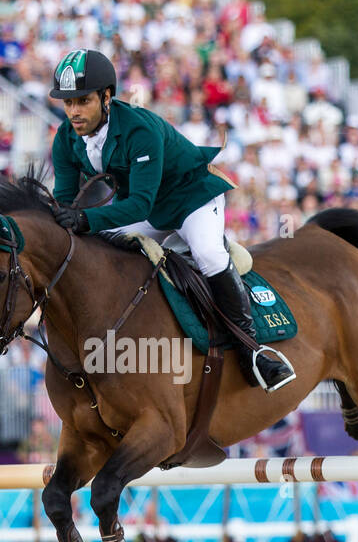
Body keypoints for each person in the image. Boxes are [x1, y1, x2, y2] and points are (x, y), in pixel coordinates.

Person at [46, 49, 293, 392]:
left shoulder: (139, 129)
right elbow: (65, 199)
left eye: (82, 100)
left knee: (207, 254)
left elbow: (139, 205)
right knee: (97, 249)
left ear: (106, 97)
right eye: (67, 102)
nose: (73, 111)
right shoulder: (65, 138)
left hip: (190, 198)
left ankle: (253, 351)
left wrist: (85, 219)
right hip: (152, 210)